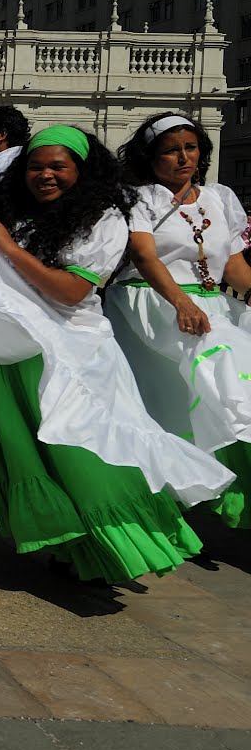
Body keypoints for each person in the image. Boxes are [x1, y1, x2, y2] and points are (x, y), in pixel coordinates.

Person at [0, 125, 231, 583]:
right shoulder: (9, 210)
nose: (46, 175)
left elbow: (72, 291)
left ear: (81, 168)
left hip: (62, 354)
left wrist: (9, 248)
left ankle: (75, 543)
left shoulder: (103, 219)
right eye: (36, 167)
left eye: (58, 166)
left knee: (70, 456)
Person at [106, 113, 251, 531]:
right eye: (172, 150)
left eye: (191, 148)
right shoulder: (139, 199)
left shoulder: (220, 198)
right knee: (197, 394)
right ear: (150, 157)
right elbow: (144, 256)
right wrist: (181, 304)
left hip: (213, 308)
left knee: (220, 396)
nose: (184, 157)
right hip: (153, 307)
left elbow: (234, 263)